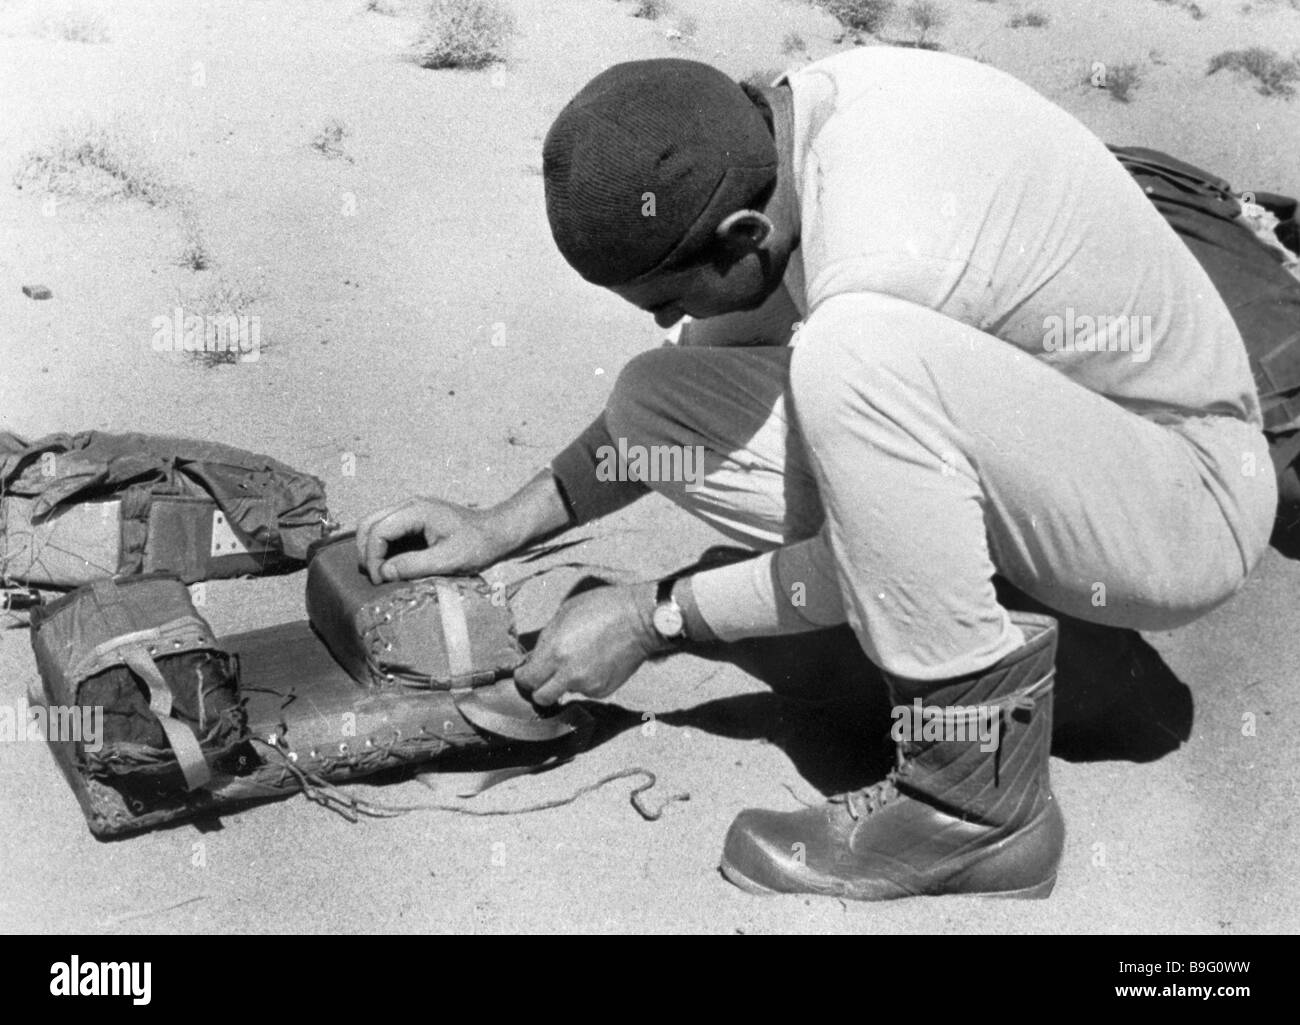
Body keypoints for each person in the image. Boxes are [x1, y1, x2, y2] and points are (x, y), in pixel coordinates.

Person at [355, 49, 1276, 900]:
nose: (660, 320)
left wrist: (656, 614)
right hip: (1064, 450)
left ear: (745, 234)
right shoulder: (782, 140)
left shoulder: (889, 250)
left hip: (1184, 502)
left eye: (668, 299)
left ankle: (977, 808)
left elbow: (862, 554)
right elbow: (690, 400)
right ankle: (1020, 636)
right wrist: (497, 525)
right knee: (655, 397)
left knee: (851, 362)